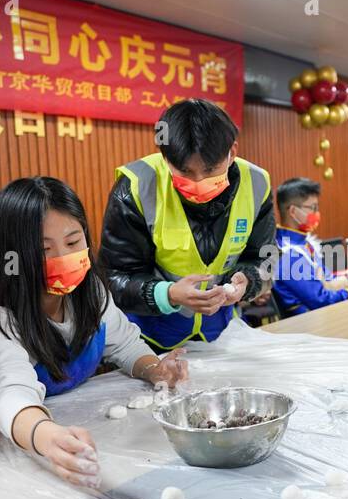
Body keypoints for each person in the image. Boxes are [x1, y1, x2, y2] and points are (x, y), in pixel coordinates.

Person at [0, 178, 187, 488]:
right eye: (43, 249)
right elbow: (8, 392)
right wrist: (47, 438)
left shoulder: (89, 291)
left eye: (73, 242)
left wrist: (156, 369)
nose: (62, 258)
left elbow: (127, 346)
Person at [100, 99, 274, 351]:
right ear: (165, 156)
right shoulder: (137, 186)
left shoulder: (257, 183)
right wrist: (167, 294)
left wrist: (248, 281)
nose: (198, 181)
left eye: (211, 169)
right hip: (147, 339)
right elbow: (114, 277)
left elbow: (265, 258)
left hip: (223, 334)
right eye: (184, 171)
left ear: (232, 152)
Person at [271, 177, 348, 316]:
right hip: (306, 324)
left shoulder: (303, 243)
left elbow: (327, 279)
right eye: (313, 208)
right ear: (293, 211)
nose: (317, 213)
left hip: (323, 315)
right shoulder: (287, 253)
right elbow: (320, 299)